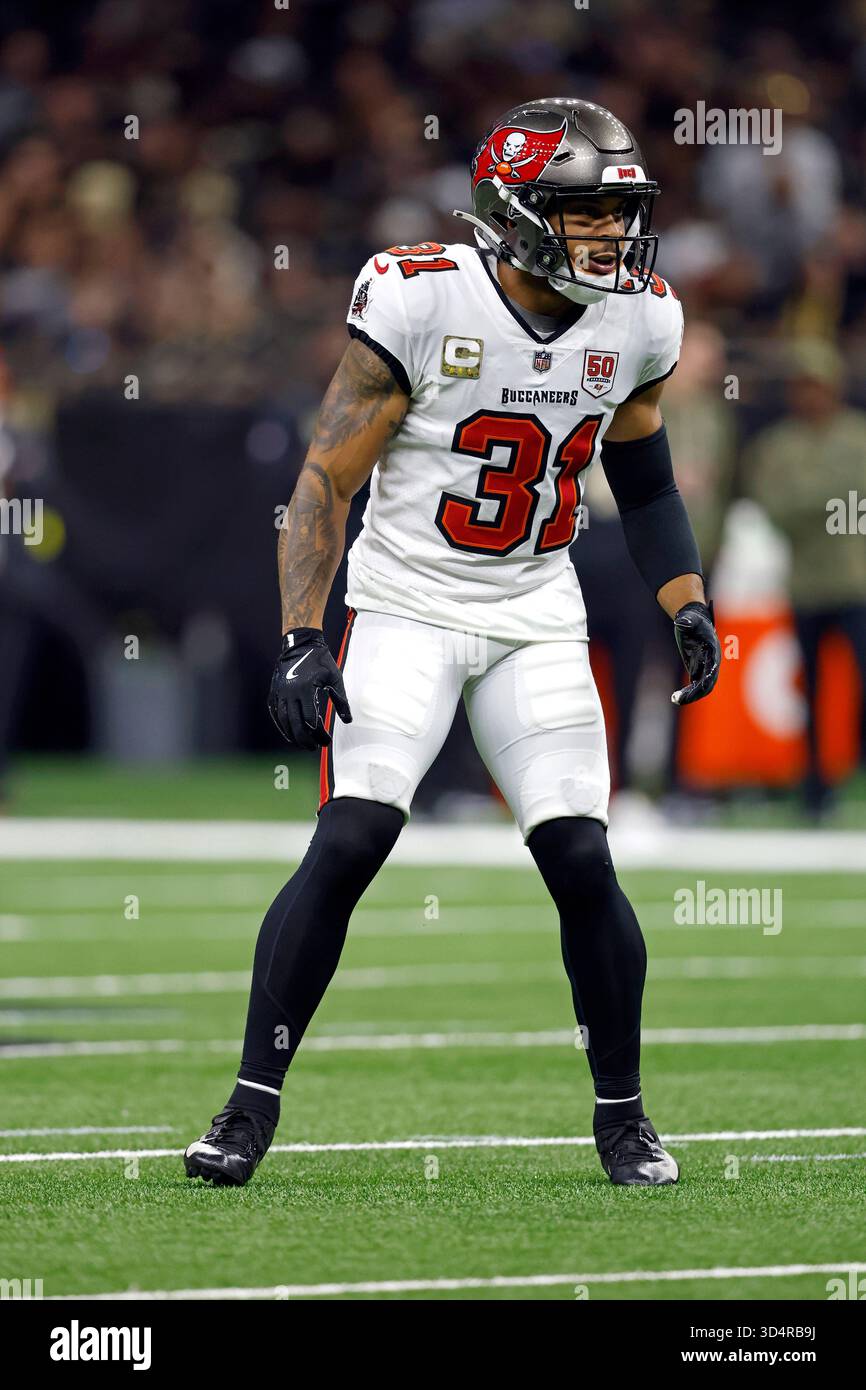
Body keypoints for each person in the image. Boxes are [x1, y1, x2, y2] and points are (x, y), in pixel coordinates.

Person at [185, 99, 720, 1188]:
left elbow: (644, 474)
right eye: (583, 215)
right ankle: (247, 1105)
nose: (609, 238)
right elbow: (325, 478)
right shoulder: (422, 294)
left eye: (618, 215)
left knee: (578, 854)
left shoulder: (639, 322)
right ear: (516, 213)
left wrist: (684, 598)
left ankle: (622, 1116)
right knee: (349, 841)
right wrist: (301, 632)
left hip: (533, 609)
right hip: (405, 602)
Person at [747, 339, 866, 816]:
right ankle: (815, 785)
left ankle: (854, 769)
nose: (809, 394)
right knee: (810, 692)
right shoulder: (776, 446)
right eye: (801, 386)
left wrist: (815, 500)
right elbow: (776, 509)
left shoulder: (857, 436)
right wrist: (834, 499)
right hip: (808, 584)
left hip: (856, 582)